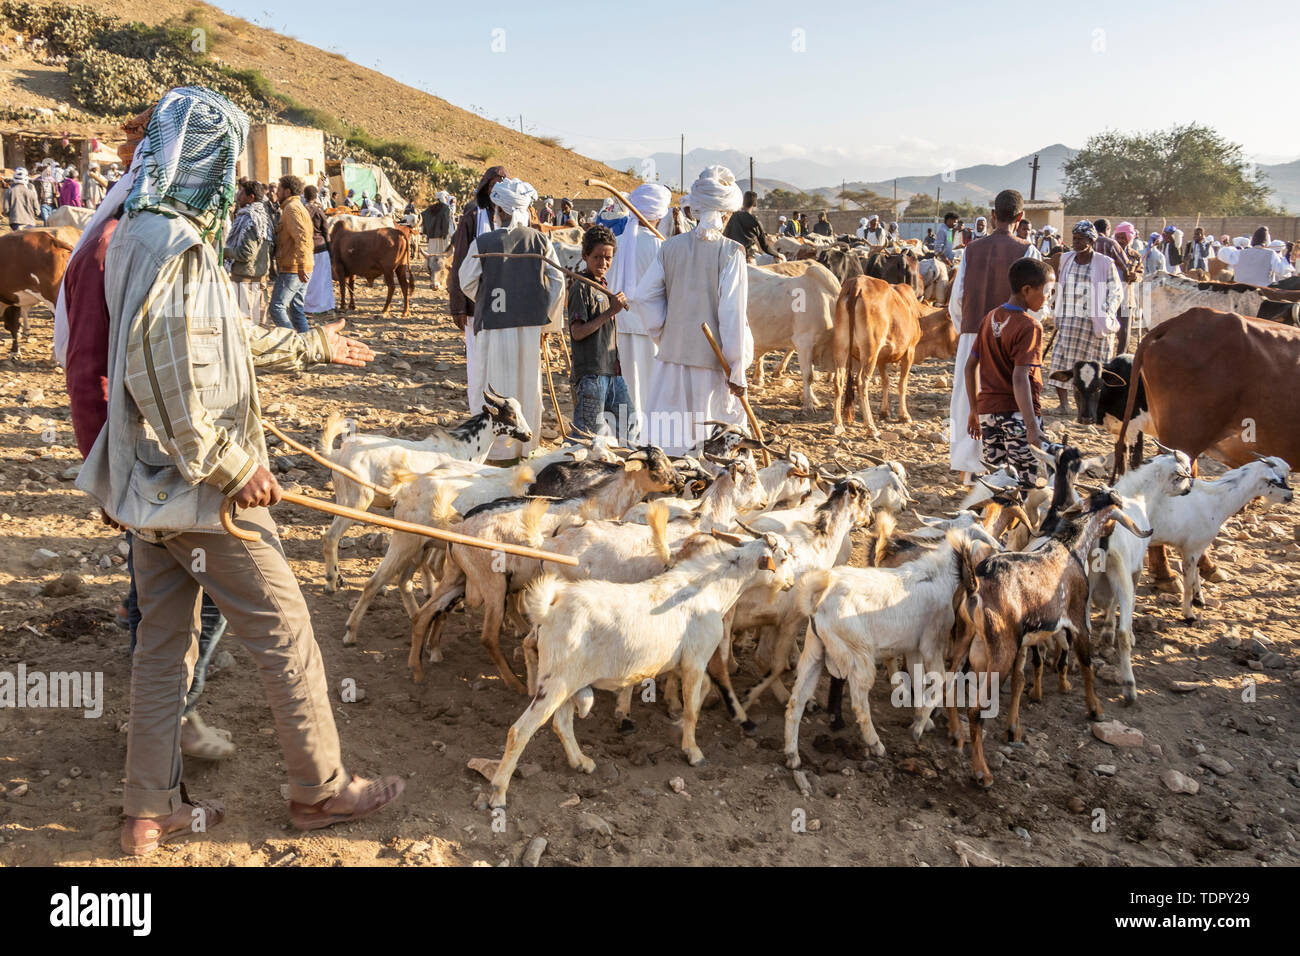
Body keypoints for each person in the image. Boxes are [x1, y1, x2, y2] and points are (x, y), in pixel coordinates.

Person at [73, 85, 399, 856]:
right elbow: (166, 375)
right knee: (287, 633)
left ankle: (147, 812)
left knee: (162, 647)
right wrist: (232, 465)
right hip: (201, 496)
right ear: (203, 155)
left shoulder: (137, 233)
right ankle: (320, 790)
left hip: (149, 486)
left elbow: (223, 341)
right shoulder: (175, 245)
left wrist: (316, 346)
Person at [631, 165, 751, 455]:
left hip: (670, 363)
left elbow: (644, 297)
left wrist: (664, 334)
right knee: (708, 444)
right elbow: (732, 314)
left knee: (668, 441)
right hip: (712, 368)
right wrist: (737, 367)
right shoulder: (732, 252)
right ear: (726, 213)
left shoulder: (669, 247)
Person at [457, 177, 564, 460]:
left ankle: (494, 453)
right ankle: (525, 448)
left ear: (499, 210)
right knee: (527, 385)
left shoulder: (484, 242)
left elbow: (466, 281)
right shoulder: (540, 240)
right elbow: (558, 281)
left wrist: (485, 299)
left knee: (492, 386)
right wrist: (546, 321)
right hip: (528, 329)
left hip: (493, 327)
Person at [947, 189, 1034, 477]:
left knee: (969, 399)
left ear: (993, 215)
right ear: (1020, 217)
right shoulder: (1028, 250)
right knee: (1004, 398)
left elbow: (956, 299)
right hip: (1010, 337)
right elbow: (1035, 301)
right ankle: (1000, 468)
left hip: (973, 333)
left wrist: (967, 330)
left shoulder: (971, 249)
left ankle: (970, 468)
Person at [964, 257, 1052, 484]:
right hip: (1016, 414)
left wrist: (974, 409)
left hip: (987, 413)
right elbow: (1020, 377)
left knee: (998, 482)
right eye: (1047, 291)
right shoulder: (1029, 326)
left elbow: (970, 366)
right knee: (1024, 481)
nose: (1048, 298)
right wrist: (1032, 427)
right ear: (1026, 290)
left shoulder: (989, 318)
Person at [603, 182, 671, 438]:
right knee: (650, 388)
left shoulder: (615, 245)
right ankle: (648, 440)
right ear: (660, 214)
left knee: (623, 386)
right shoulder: (665, 248)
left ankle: (621, 438)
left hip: (617, 327)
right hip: (653, 330)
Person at [449, 165, 509, 418]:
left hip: (512, 306)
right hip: (478, 304)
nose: (497, 190)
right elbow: (461, 261)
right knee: (480, 363)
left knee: (507, 363)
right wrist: (459, 305)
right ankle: (481, 414)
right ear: (485, 188)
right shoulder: (473, 217)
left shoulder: (517, 216)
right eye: (493, 185)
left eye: (502, 185)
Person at [566, 224, 637, 438]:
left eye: (608, 258)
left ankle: (627, 471)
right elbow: (577, 332)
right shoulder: (581, 287)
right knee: (587, 436)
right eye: (597, 257)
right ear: (585, 255)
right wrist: (610, 312)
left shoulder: (603, 286)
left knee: (629, 427)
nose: (603, 263)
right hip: (591, 376)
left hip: (613, 374)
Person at [1047, 220, 1122, 412]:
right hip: (1069, 321)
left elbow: (1116, 292)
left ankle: (1091, 407)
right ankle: (1063, 404)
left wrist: (1106, 310)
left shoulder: (1105, 263)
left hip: (1093, 323)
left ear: (1091, 240)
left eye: (1080, 239)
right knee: (1061, 362)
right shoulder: (1066, 259)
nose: (1076, 242)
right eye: (1074, 238)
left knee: (1094, 367)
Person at [224, 180, 274, 326]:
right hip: (257, 276)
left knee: (246, 327)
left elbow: (247, 253)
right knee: (257, 325)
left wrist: (223, 252)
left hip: (247, 280)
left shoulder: (250, 218)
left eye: (241, 193)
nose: (237, 196)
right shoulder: (262, 216)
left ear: (250, 197)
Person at [268, 174, 312, 333]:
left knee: (277, 307)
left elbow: (302, 237)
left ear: (287, 191)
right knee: (296, 309)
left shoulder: (291, 209)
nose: (276, 193)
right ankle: (307, 345)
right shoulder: (296, 207)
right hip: (302, 265)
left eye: (278, 190)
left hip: (294, 268)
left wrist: (300, 265)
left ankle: (293, 341)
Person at [1110, 222, 1145, 353]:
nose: (1120, 240)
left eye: (1123, 237)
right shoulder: (1110, 252)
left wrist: (1135, 276)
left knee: (1124, 332)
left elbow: (1141, 274)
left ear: (1130, 238)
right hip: (1109, 298)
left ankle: (1121, 357)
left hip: (1126, 300)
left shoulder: (1135, 255)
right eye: (1118, 237)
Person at [302, 184, 335, 315]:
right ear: (315, 197)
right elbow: (326, 232)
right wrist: (330, 251)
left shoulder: (301, 211)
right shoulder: (319, 212)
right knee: (322, 278)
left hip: (306, 249)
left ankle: (307, 306)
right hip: (320, 248)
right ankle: (324, 306)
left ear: (304, 196)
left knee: (308, 280)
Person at [723, 189, 780, 262]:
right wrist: (777, 254)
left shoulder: (732, 216)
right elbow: (765, 247)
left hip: (730, 257)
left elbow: (725, 235)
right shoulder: (755, 222)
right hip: (747, 258)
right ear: (755, 204)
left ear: (743, 202)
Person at [422, 190, 452, 255]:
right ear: (443, 197)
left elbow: (422, 215)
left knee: (432, 254)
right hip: (442, 236)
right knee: (441, 254)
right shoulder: (446, 208)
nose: (447, 199)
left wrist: (427, 230)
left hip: (432, 235)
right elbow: (446, 222)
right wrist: (445, 233)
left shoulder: (431, 208)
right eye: (446, 197)